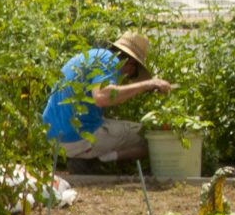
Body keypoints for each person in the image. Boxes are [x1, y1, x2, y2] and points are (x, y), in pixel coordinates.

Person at [44, 31, 172, 167]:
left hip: (51, 136)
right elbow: (101, 97)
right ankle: (97, 160)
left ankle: (85, 159)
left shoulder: (93, 56)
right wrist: (148, 84)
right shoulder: (110, 61)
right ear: (131, 63)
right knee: (149, 136)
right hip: (77, 138)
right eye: (133, 74)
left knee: (111, 125)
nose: (127, 77)